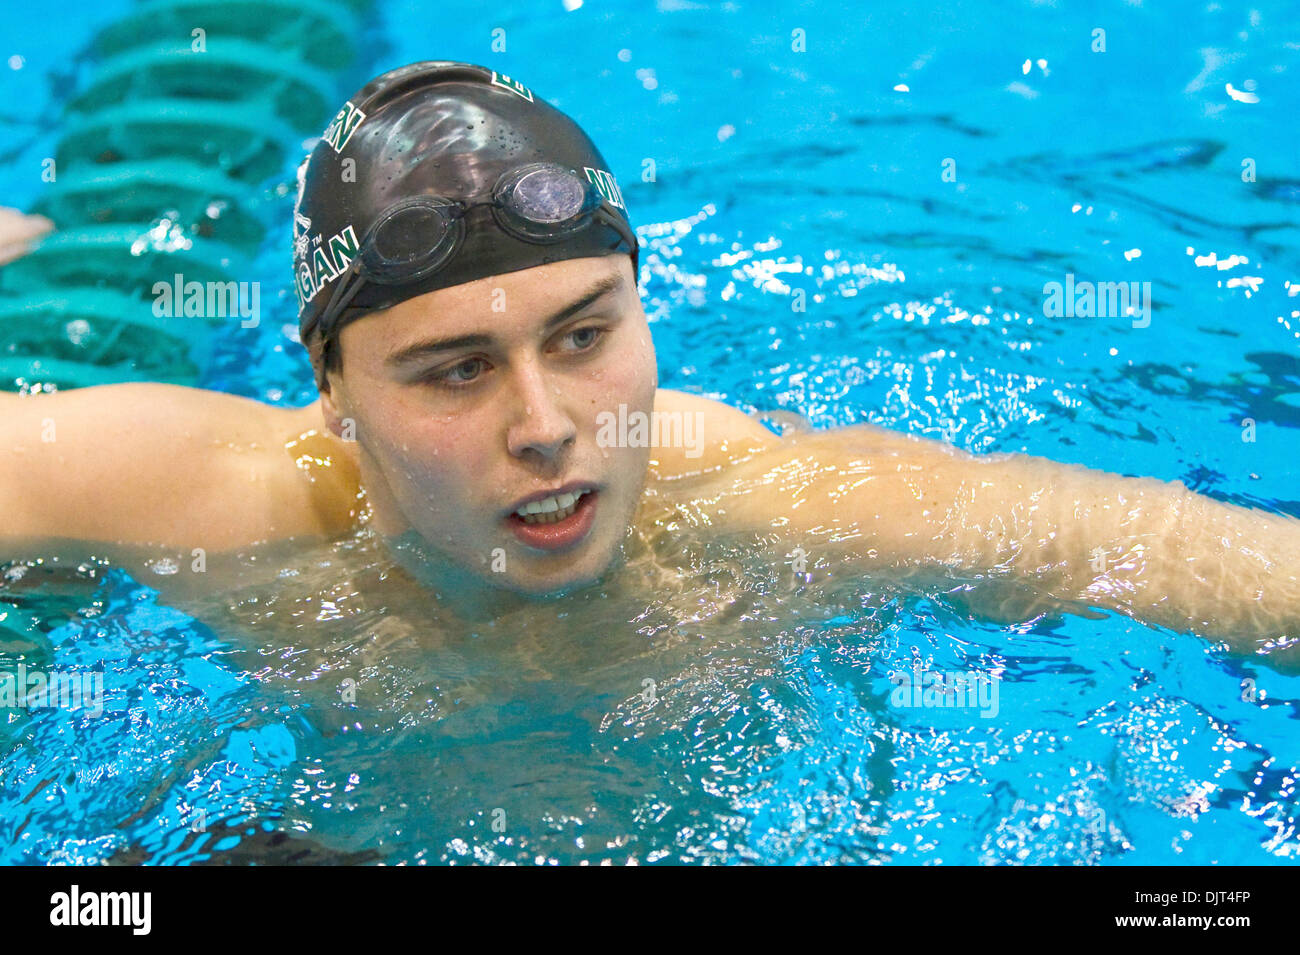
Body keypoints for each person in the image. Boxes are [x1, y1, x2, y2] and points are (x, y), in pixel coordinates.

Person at [1, 61, 1297, 668]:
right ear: (333, 392)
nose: (550, 426)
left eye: (584, 336)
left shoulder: (758, 505)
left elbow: (1169, 551)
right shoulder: (204, 501)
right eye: (455, 369)